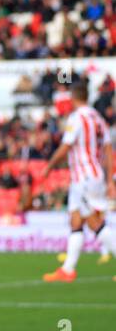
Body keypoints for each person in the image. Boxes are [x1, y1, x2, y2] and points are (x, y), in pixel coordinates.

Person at [40, 79, 116, 282]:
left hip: (84, 176)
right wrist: (109, 180)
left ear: (73, 98)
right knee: (75, 220)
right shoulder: (98, 118)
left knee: (93, 221)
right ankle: (68, 269)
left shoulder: (76, 118)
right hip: (91, 175)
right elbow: (109, 149)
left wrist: (49, 166)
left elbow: (65, 146)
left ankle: (69, 268)